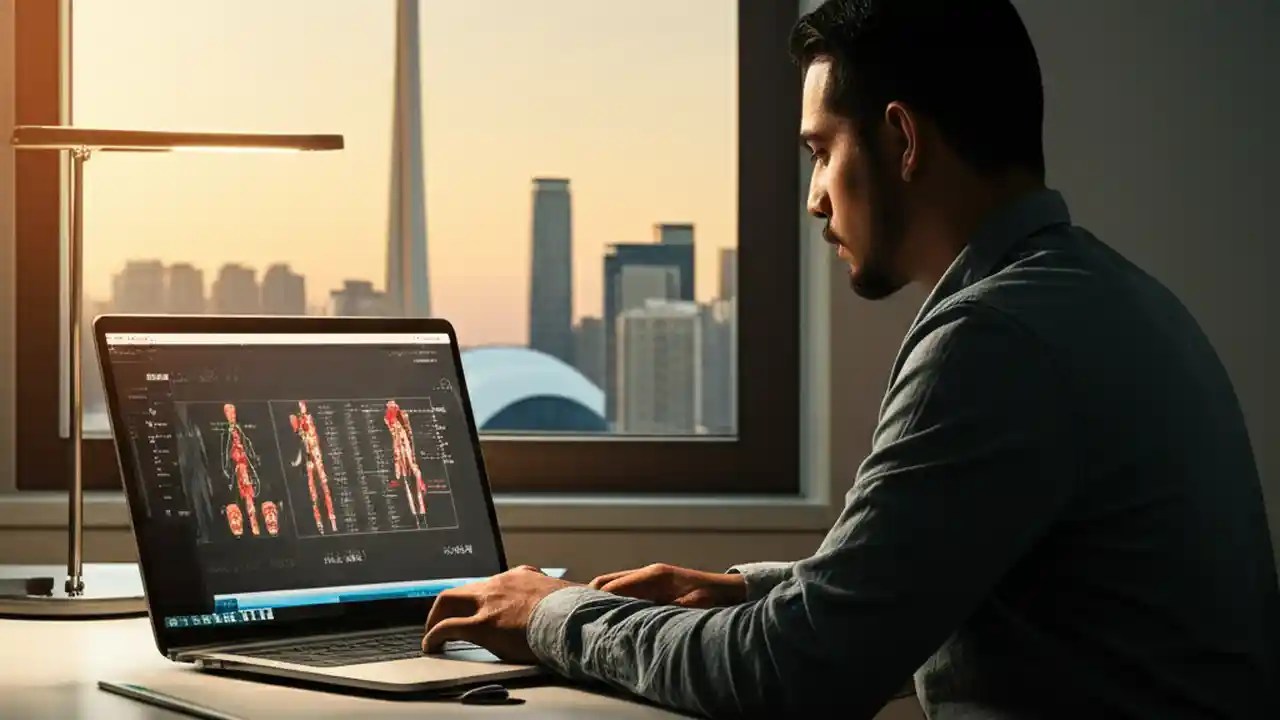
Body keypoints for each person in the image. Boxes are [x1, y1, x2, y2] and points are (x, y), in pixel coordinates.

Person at [423, 1, 1280, 717]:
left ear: (902, 140)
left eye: (820, 150)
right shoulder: (1110, 299)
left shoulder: (996, 341)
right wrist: (747, 590)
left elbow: (798, 673)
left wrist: (554, 614)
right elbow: (942, 578)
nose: (813, 197)